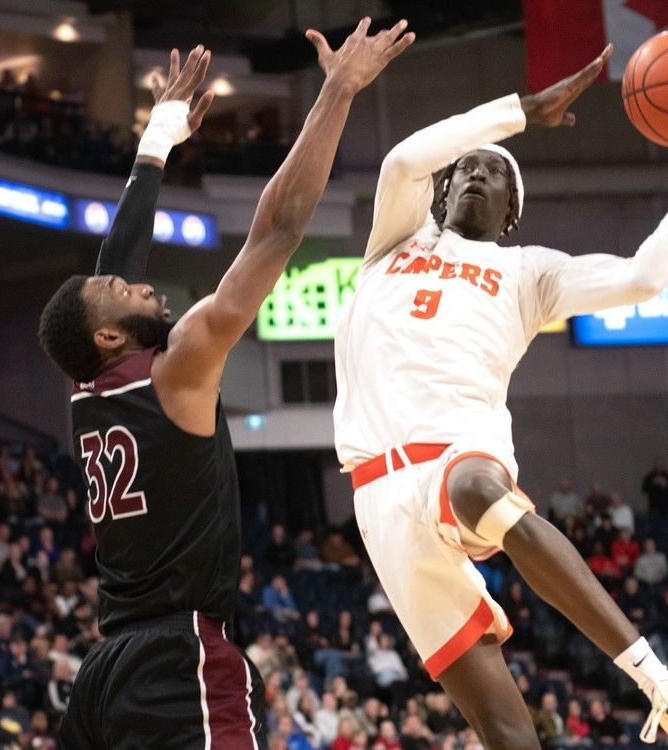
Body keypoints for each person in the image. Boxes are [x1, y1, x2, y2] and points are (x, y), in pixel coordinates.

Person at [332, 41, 668, 749]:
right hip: (379, 501)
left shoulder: (528, 273)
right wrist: (517, 115)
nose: (473, 172)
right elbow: (402, 162)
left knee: (475, 489)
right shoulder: (394, 244)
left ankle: (666, 691)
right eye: (466, 165)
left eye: (492, 171)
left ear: (513, 210)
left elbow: (646, 276)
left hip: (460, 454)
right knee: (504, 728)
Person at [37, 24, 415, 748]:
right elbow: (277, 230)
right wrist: (337, 91)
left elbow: (115, 256)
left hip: (106, 671)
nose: (138, 282)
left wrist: (159, 139)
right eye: (124, 290)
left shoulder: (90, 388)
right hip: (176, 663)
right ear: (110, 336)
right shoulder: (179, 366)